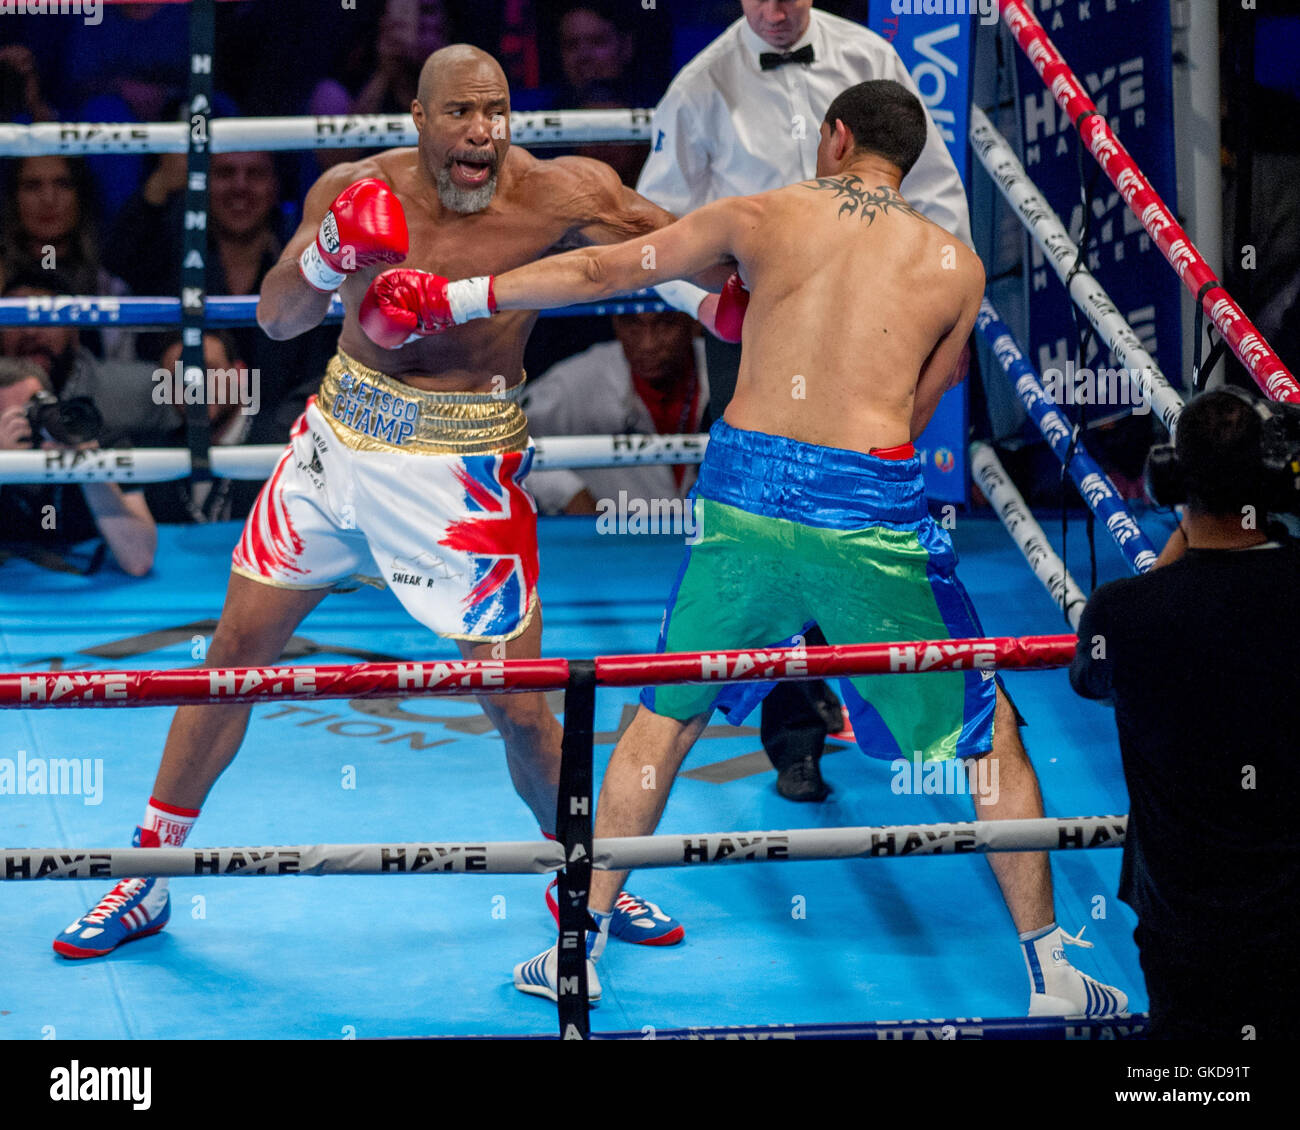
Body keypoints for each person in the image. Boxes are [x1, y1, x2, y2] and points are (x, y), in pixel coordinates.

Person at [384, 79, 1129, 1015]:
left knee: (665, 714)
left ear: (835, 136)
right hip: (869, 508)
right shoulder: (957, 266)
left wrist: (453, 295)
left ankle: (579, 950)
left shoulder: (762, 212)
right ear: (911, 161)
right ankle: (1051, 973)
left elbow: (600, 273)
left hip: (742, 498)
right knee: (987, 740)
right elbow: (920, 407)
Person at [51, 43, 731, 962]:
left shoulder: (560, 195)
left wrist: (755, 300)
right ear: (419, 118)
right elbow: (278, 316)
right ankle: (148, 872)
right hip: (343, 440)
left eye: (496, 111)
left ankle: (584, 868)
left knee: (519, 702)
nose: (481, 132)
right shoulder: (353, 185)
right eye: (460, 113)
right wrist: (334, 253)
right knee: (234, 655)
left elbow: (681, 250)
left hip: (467, 465)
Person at [634, 0, 975, 802]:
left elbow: (939, 194)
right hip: (758, 333)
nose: (777, 9)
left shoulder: (871, 61)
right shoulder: (701, 85)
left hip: (875, 325)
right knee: (763, 531)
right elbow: (656, 221)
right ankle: (795, 740)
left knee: (863, 507)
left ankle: (896, 700)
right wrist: (713, 306)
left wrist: (942, 320)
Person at [1070, 388, 1300, 1039]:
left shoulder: (1122, 613)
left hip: (1183, 916)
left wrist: (1183, 537)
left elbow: (1091, 682)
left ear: (1168, 477)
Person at [522, 311, 709, 515]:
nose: (648, 344)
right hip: (613, 542)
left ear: (695, 320)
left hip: (715, 539)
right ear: (615, 322)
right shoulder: (576, 381)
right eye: (632, 324)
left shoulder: (730, 373)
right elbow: (501, 443)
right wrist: (566, 492)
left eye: (665, 324)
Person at [0, 358, 156, 577]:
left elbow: (138, 559)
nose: (22, 424)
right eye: (7, 416)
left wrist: (89, 469)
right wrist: (4, 467)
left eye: (31, 410)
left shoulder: (103, 444)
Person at [0, 271, 170, 443]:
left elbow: (181, 451)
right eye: (16, 320)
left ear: (74, 330)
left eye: (46, 320)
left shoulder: (141, 387)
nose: (30, 332)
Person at [0, 156, 136, 363]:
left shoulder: (110, 285)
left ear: (81, 194)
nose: (48, 199)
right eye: (32, 186)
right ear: (13, 197)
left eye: (63, 184)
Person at [141, 332, 259, 526]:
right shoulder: (153, 458)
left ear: (239, 373)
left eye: (207, 370)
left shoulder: (280, 441)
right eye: (179, 377)